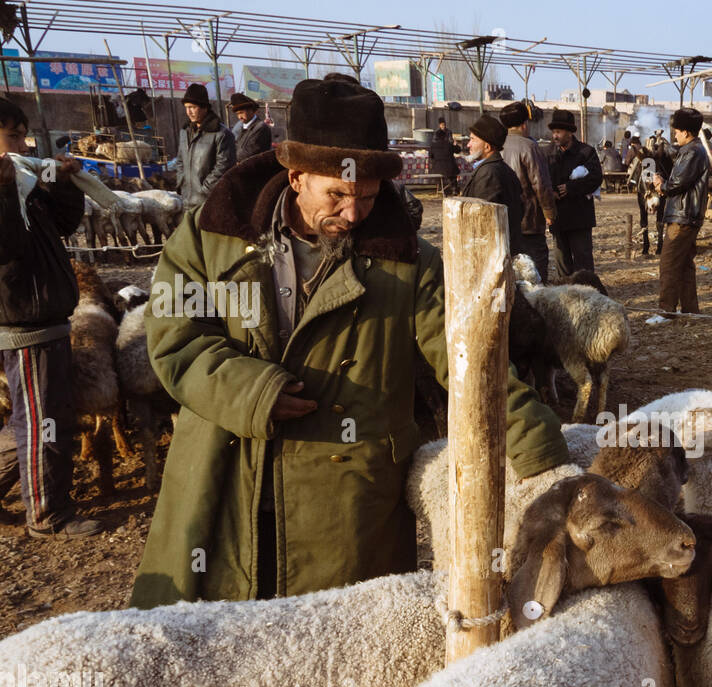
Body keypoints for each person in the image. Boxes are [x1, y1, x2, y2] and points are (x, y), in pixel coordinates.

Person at [129, 77, 567, 608]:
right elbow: (175, 334)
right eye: (336, 194)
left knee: (342, 641)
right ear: (296, 175)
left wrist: (543, 458)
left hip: (348, 506)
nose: (354, 213)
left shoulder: (409, 264)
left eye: (368, 196)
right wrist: (249, 392)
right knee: (222, 635)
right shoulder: (212, 235)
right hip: (225, 479)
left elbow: (468, 363)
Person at [0, 98, 103, 537]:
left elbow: (62, 224)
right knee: (44, 422)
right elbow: (6, 246)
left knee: (33, 416)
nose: (25, 146)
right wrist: (7, 187)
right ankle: (47, 513)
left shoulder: (24, 184)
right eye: (13, 137)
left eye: (24, 136)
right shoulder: (6, 188)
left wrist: (63, 182)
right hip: (25, 325)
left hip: (44, 321)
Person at [655, 108, 710, 315]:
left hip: (682, 216)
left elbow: (678, 182)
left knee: (668, 263)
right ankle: (690, 310)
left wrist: (661, 186)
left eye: (677, 132)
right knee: (685, 266)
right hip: (687, 215)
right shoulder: (693, 150)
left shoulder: (692, 152)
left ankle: (666, 310)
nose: (675, 135)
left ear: (686, 132)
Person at [501, 101, 557, 282]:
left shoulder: (498, 146)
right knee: (536, 268)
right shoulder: (529, 147)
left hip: (505, 219)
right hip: (529, 219)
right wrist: (549, 212)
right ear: (525, 124)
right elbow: (540, 183)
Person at [545, 109, 602, 281]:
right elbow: (541, 178)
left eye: (559, 132)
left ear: (570, 132)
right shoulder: (547, 153)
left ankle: (588, 292)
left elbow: (596, 178)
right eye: (554, 132)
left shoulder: (586, 152)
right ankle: (565, 294)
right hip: (558, 217)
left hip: (580, 217)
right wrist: (551, 192)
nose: (555, 136)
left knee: (583, 263)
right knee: (562, 264)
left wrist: (571, 188)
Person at [461, 115, 524, 253]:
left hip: (490, 252)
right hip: (502, 248)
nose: (468, 144)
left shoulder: (489, 173)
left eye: (473, 139)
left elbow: (482, 218)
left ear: (487, 147)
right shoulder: (498, 169)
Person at [176, 83, 236, 211]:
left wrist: (205, 190)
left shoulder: (221, 134)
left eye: (193, 107)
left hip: (209, 202)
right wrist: (182, 182)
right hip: (187, 200)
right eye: (186, 107)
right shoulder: (185, 132)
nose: (189, 112)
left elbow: (223, 167)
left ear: (204, 107)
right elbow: (180, 160)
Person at [228, 92, 272, 163]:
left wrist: (230, 158)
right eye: (237, 114)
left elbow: (249, 152)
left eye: (241, 112)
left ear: (251, 111)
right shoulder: (243, 127)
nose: (239, 117)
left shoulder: (261, 127)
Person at [428, 118, 460, 194]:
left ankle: (441, 187)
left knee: (444, 170)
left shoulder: (433, 145)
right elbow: (458, 150)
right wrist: (455, 145)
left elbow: (430, 156)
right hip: (450, 169)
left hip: (437, 169)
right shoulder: (449, 145)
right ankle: (454, 188)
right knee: (452, 171)